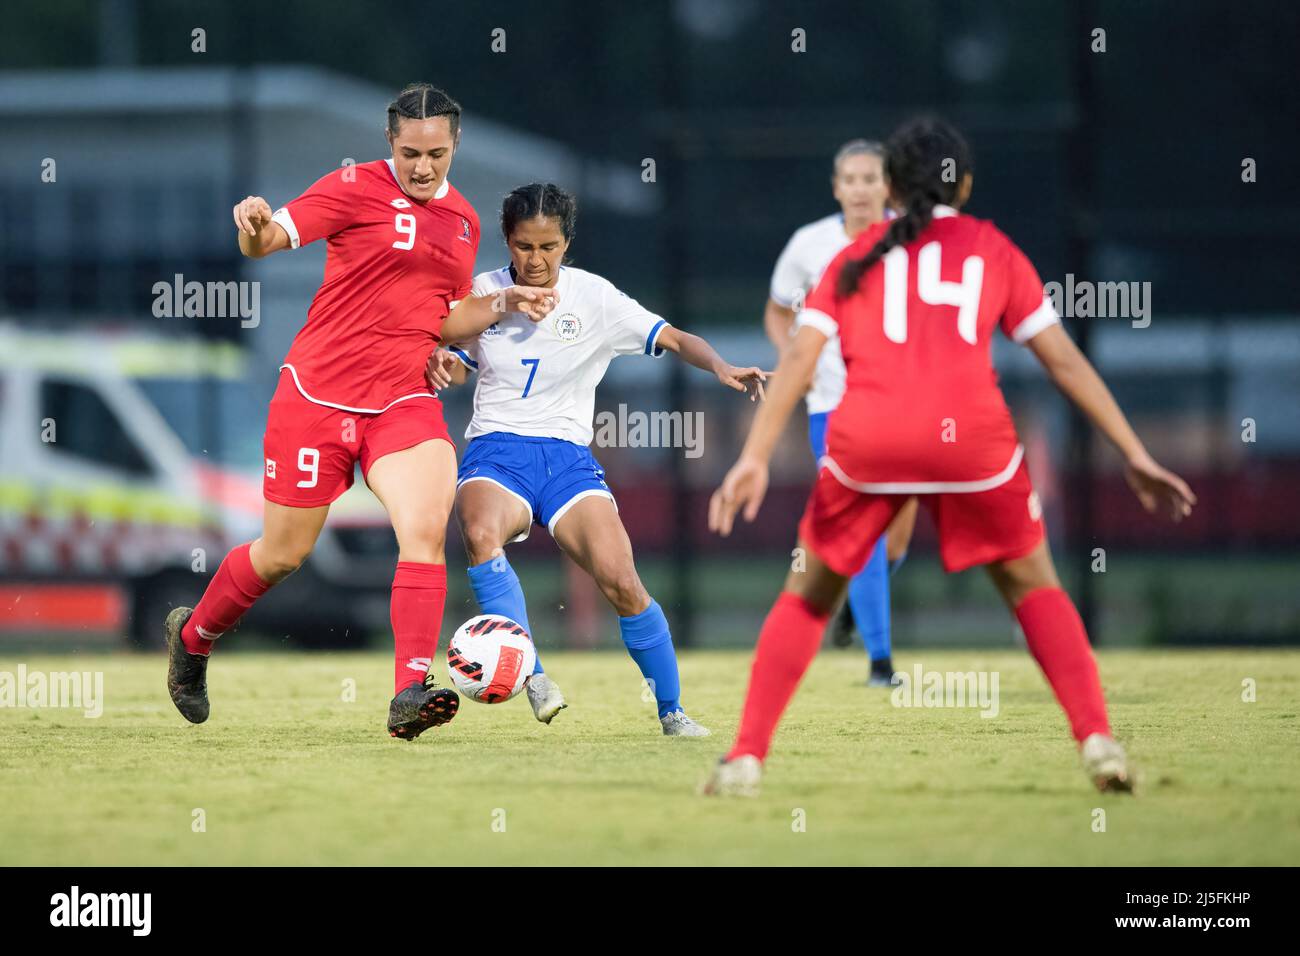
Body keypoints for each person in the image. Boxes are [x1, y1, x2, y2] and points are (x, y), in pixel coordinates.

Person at [703, 117, 1196, 796]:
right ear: (963, 184)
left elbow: (797, 360)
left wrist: (754, 457)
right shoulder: (992, 249)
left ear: (892, 188)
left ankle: (745, 760)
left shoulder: (853, 257)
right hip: (972, 445)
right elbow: (1064, 364)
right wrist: (1134, 453)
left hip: (868, 440)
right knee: (1035, 590)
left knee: (809, 597)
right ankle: (1099, 743)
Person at [163, 83, 558, 741]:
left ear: (455, 143)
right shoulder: (352, 187)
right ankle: (195, 638)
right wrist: (255, 225)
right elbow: (267, 242)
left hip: (403, 400)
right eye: (410, 153)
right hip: (316, 396)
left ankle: (409, 691)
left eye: (435, 152)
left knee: (425, 529)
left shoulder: (463, 221)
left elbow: (447, 314)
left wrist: (505, 302)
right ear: (389, 144)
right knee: (283, 555)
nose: (423, 167)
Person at [428, 183, 767, 736]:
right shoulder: (484, 292)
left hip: (567, 461)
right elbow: (455, 348)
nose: (535, 260)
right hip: (496, 450)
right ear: (507, 241)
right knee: (479, 532)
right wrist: (446, 363)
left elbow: (674, 338)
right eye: (523, 246)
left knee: (623, 582)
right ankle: (532, 674)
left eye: (549, 247)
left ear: (567, 243)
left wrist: (723, 367)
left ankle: (673, 713)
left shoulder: (597, 298)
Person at [765, 139, 918, 682]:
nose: (859, 189)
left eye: (870, 178)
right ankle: (881, 662)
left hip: (906, 408)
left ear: (888, 185)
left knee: (897, 534)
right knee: (869, 529)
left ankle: (855, 603)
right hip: (834, 407)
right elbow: (778, 310)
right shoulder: (811, 244)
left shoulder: (913, 238)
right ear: (836, 187)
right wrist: (796, 361)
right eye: (849, 179)